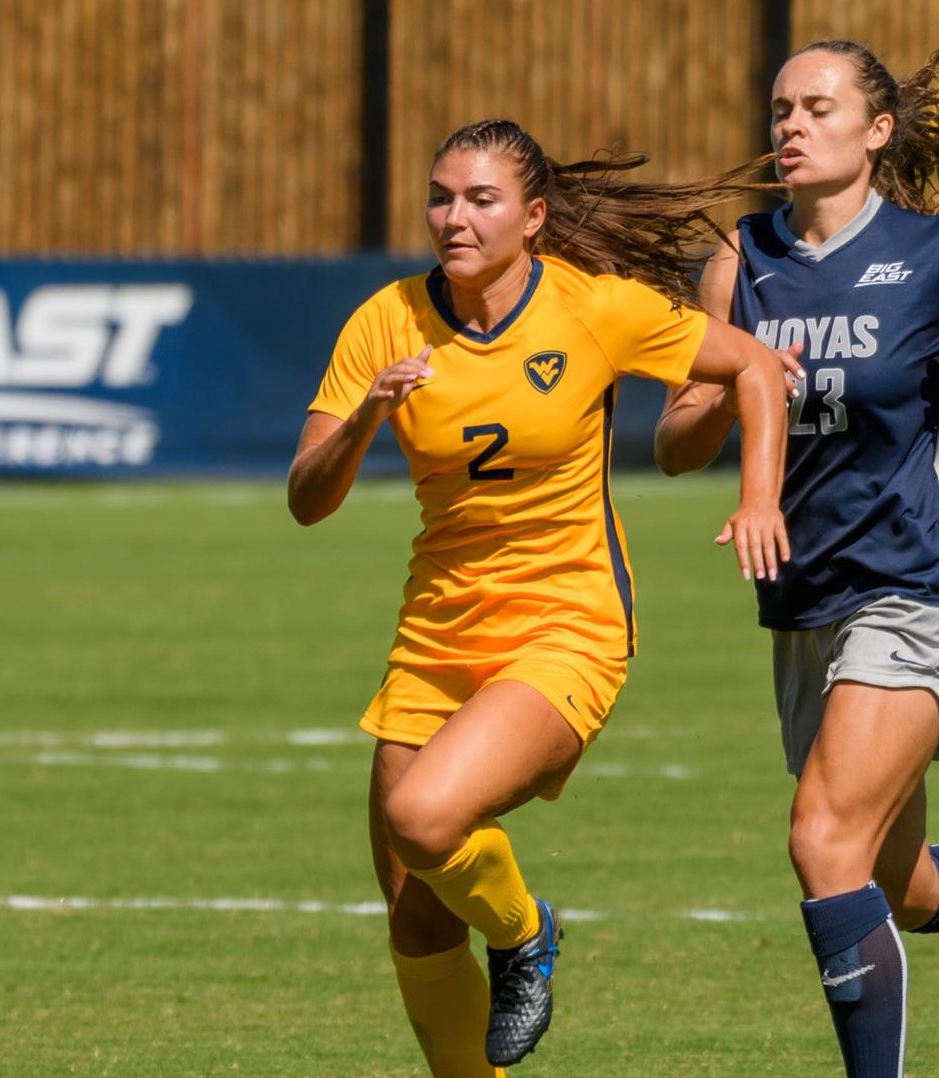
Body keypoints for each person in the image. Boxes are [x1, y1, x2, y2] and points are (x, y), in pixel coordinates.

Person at [289, 118, 793, 1074]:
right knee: (417, 920)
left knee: (423, 819)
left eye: (480, 200)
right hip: (434, 635)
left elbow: (753, 365)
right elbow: (306, 499)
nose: (453, 218)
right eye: (440, 197)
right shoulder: (385, 320)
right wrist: (363, 419)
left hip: (565, 625)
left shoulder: (591, 308)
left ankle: (526, 933)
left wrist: (759, 495)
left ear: (532, 218)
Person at [655, 40, 939, 1078]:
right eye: (780, 109)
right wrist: (742, 382)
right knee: (897, 882)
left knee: (821, 839)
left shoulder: (928, 256)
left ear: (876, 132)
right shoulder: (740, 260)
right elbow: (674, 443)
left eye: (817, 108)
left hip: (913, 587)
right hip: (803, 600)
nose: (789, 126)